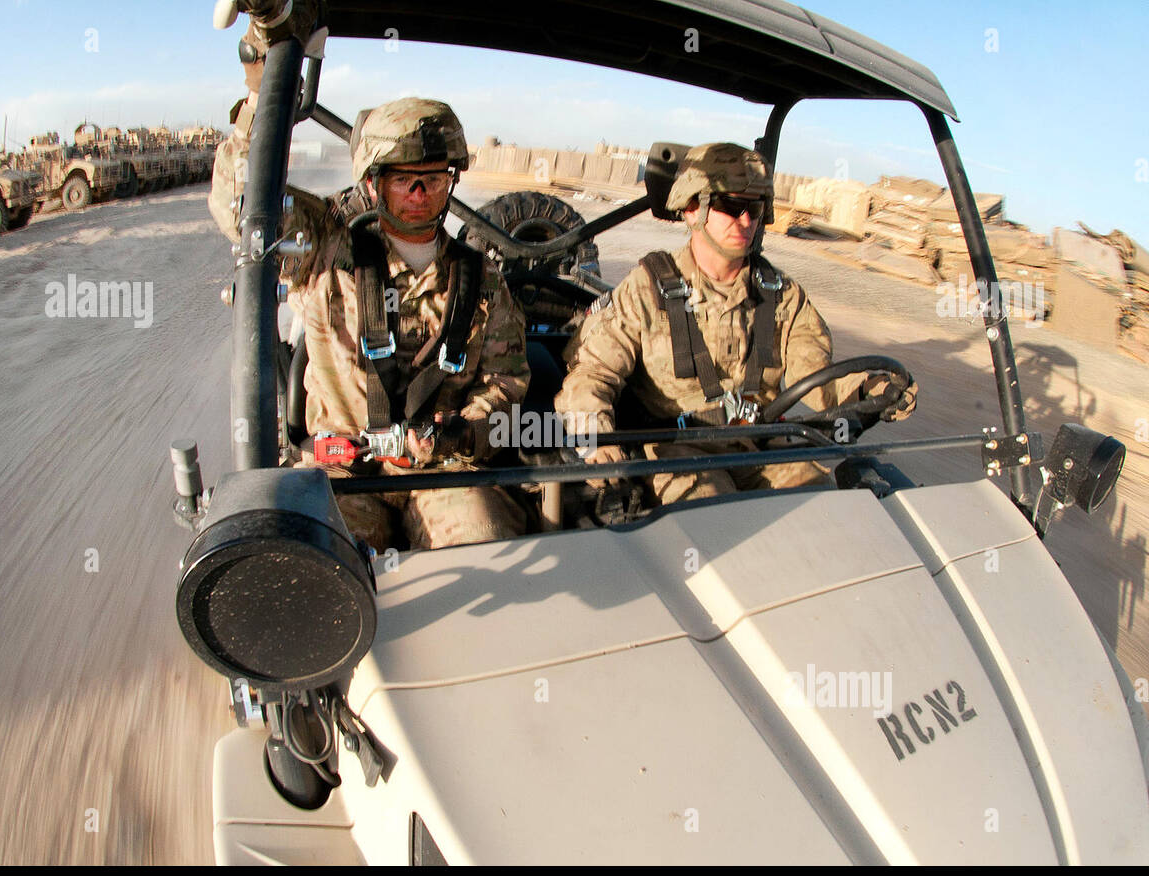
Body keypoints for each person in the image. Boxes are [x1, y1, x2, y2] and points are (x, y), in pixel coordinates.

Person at [209, 22, 530, 552]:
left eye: (435, 177)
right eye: (405, 178)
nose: (421, 192)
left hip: (442, 473)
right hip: (345, 478)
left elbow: (508, 384)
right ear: (375, 183)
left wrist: (458, 431)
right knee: (314, 570)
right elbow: (243, 207)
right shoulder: (325, 252)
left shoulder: (482, 280)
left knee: (486, 545)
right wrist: (258, 95)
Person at [555, 141, 916, 503]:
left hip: (759, 444)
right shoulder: (647, 289)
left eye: (755, 207)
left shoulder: (780, 295)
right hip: (679, 450)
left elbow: (818, 378)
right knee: (718, 519)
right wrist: (595, 442)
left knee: (820, 509)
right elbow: (592, 374)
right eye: (731, 205)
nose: (746, 220)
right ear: (693, 209)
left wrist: (870, 390)